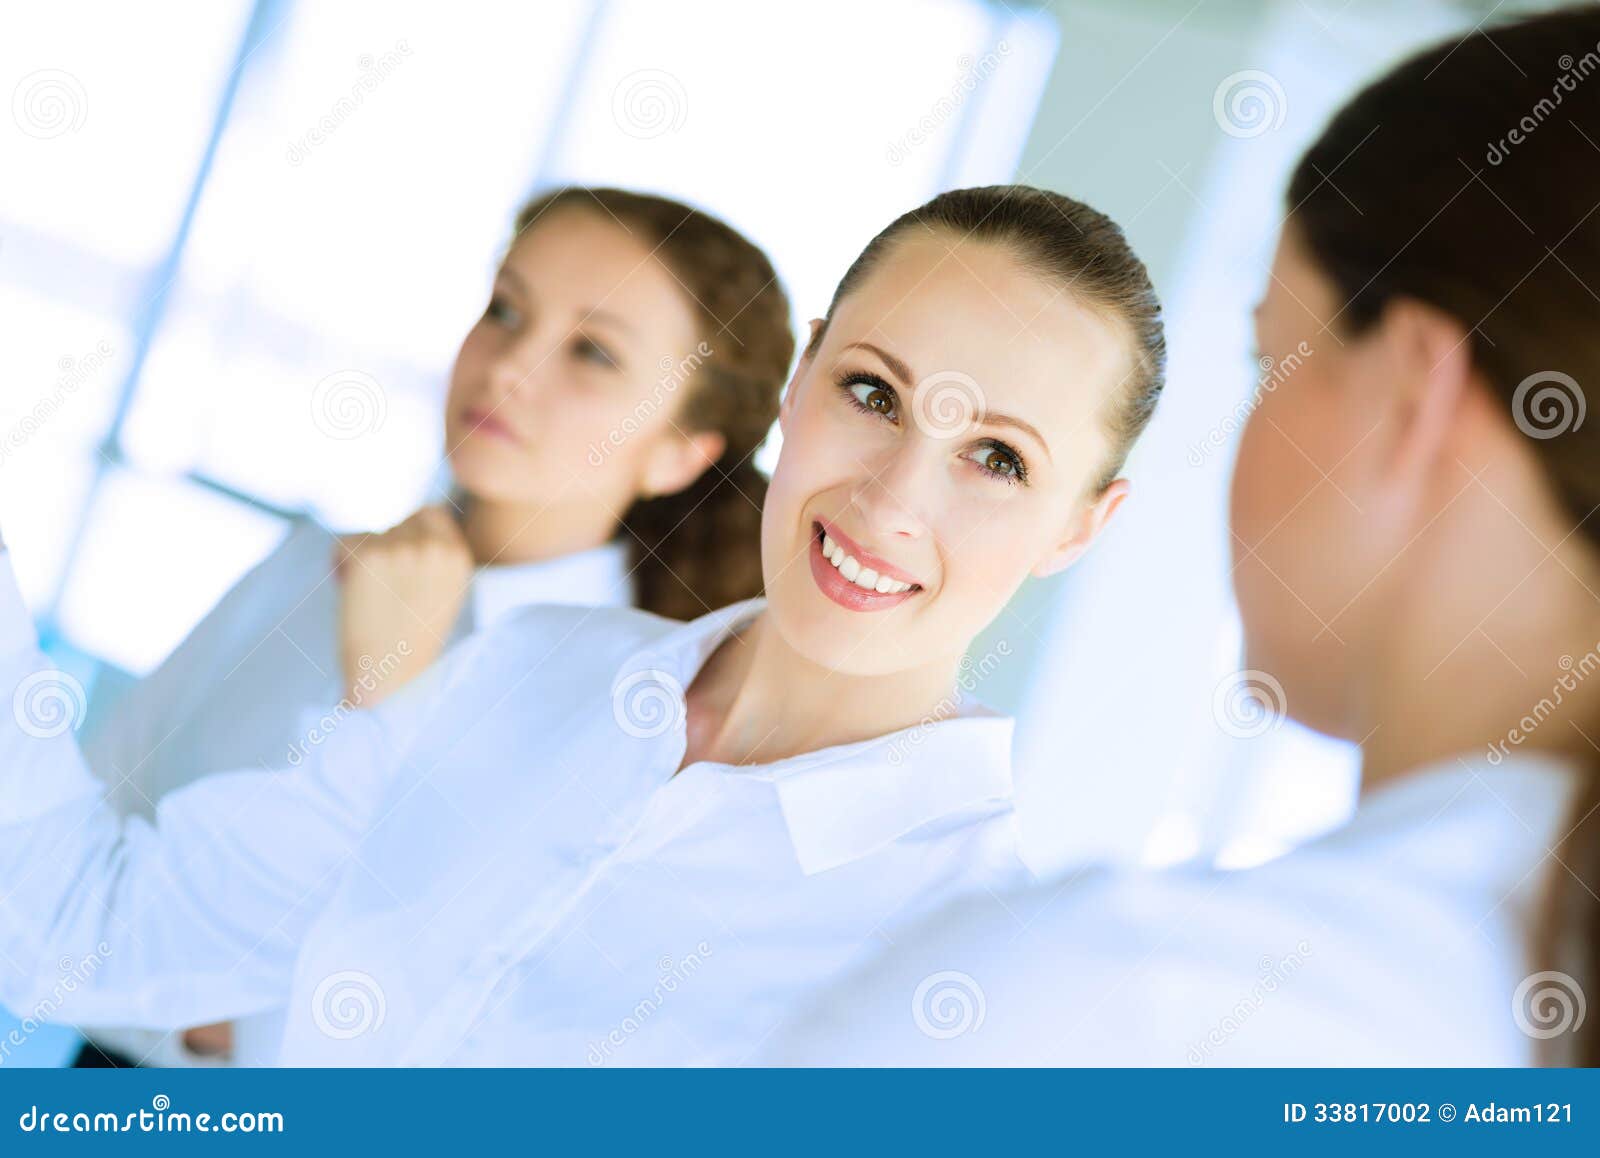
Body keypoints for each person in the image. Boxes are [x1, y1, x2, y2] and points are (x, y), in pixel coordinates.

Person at [0, 183, 1166, 1065]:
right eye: (873, 392)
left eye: (997, 459)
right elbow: (90, 932)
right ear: (802, 376)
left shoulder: (970, 966)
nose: (890, 500)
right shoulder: (511, 671)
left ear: (1080, 525)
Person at [756, 8, 1600, 1067]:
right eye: (871, 391)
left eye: (1270, 358)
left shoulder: (1116, 1009)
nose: (894, 501)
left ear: (1407, 402)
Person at [71, 185, 794, 1066]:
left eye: (593, 352)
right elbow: (85, 841)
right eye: (505, 309)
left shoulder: (641, 715)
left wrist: (386, 697)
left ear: (681, 453)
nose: (508, 367)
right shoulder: (312, 567)